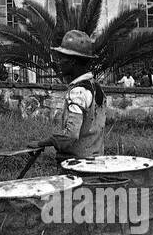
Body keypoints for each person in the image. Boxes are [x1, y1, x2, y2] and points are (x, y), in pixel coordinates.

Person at [37, 30, 106, 164]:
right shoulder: (95, 86)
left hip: (77, 165)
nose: (59, 63)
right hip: (96, 161)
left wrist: (46, 141)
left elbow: (71, 135)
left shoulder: (78, 92)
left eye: (62, 58)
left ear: (73, 62)